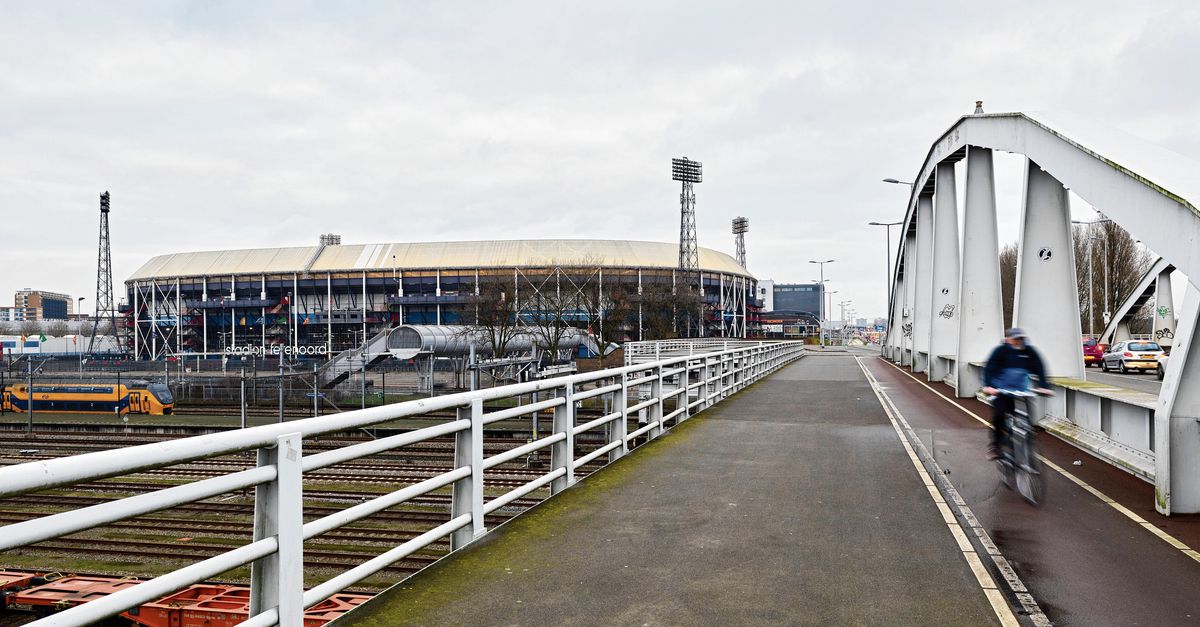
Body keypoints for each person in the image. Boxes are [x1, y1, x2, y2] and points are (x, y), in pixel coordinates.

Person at [981, 328, 1051, 459]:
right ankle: (996, 446)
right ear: (1008, 339)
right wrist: (988, 386)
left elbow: (1039, 366)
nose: (1019, 341)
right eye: (1016, 339)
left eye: (1021, 338)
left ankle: (1028, 449)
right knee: (999, 416)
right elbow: (989, 369)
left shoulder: (1029, 351)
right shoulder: (1000, 351)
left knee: (1027, 422)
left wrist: (1043, 386)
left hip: (1020, 393)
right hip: (1001, 392)